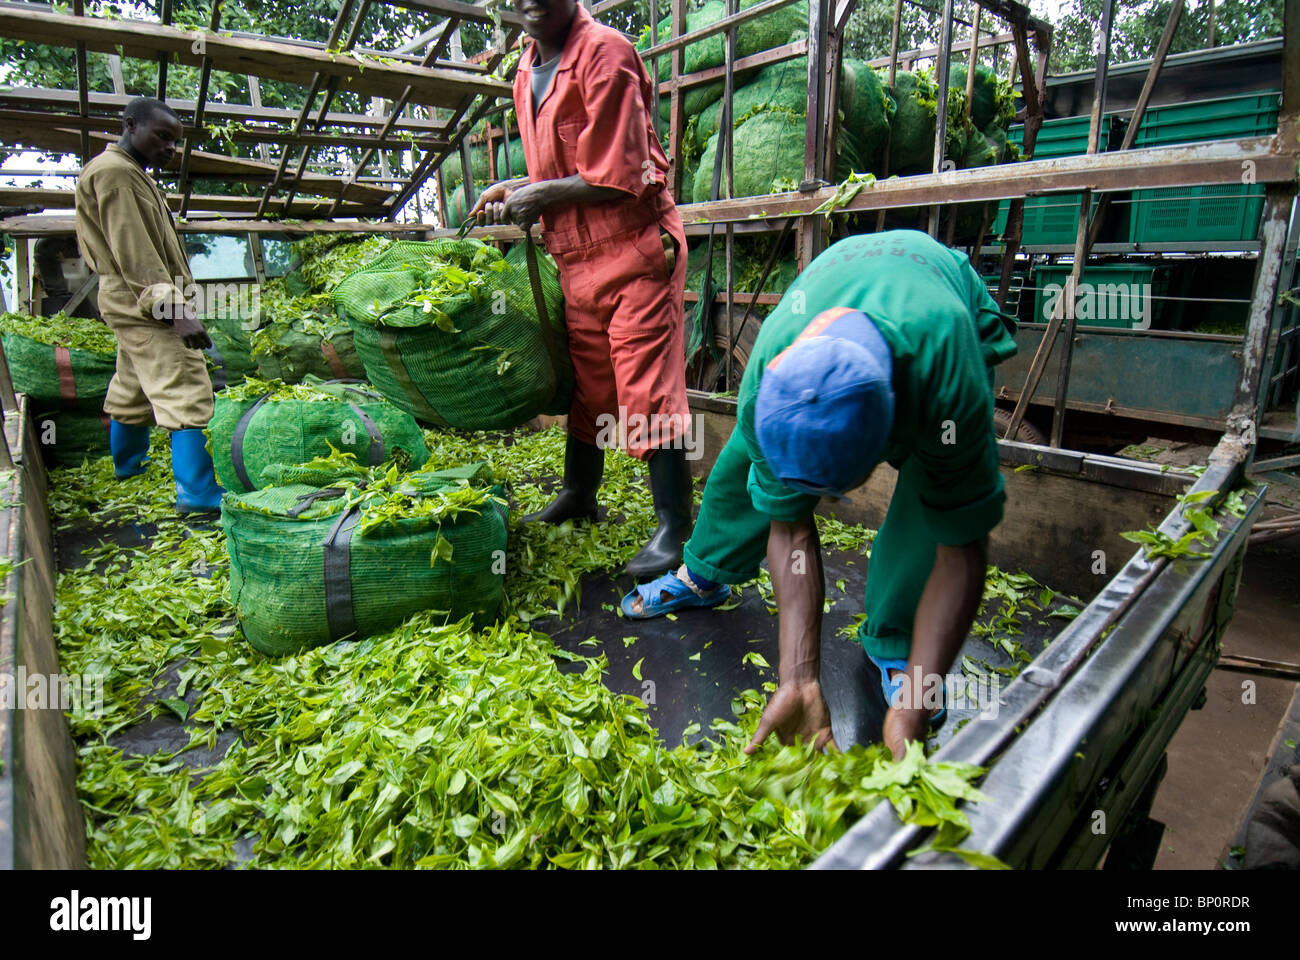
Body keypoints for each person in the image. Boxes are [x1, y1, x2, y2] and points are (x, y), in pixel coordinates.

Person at [622, 229, 1019, 760]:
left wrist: (914, 708)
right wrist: (799, 676)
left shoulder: (947, 369)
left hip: (932, 289)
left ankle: (899, 649)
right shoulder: (768, 371)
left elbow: (962, 551)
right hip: (839, 289)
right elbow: (788, 526)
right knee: (749, 464)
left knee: (931, 504)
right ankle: (707, 571)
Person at [469, 0, 692, 578]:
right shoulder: (526, 68)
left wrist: (539, 198)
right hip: (575, 257)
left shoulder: (606, 56)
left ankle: (675, 527)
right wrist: (513, 186)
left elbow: (619, 175)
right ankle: (579, 494)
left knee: (645, 388)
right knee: (590, 386)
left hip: (633, 246)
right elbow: (568, 167)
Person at [74, 97, 223, 513]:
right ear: (130, 125)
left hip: (128, 303)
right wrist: (175, 313)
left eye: (174, 142)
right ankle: (199, 495)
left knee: (132, 387)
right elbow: (136, 253)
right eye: (161, 136)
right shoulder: (117, 175)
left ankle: (129, 469)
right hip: (146, 305)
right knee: (188, 388)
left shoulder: (128, 173)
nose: (169, 148)